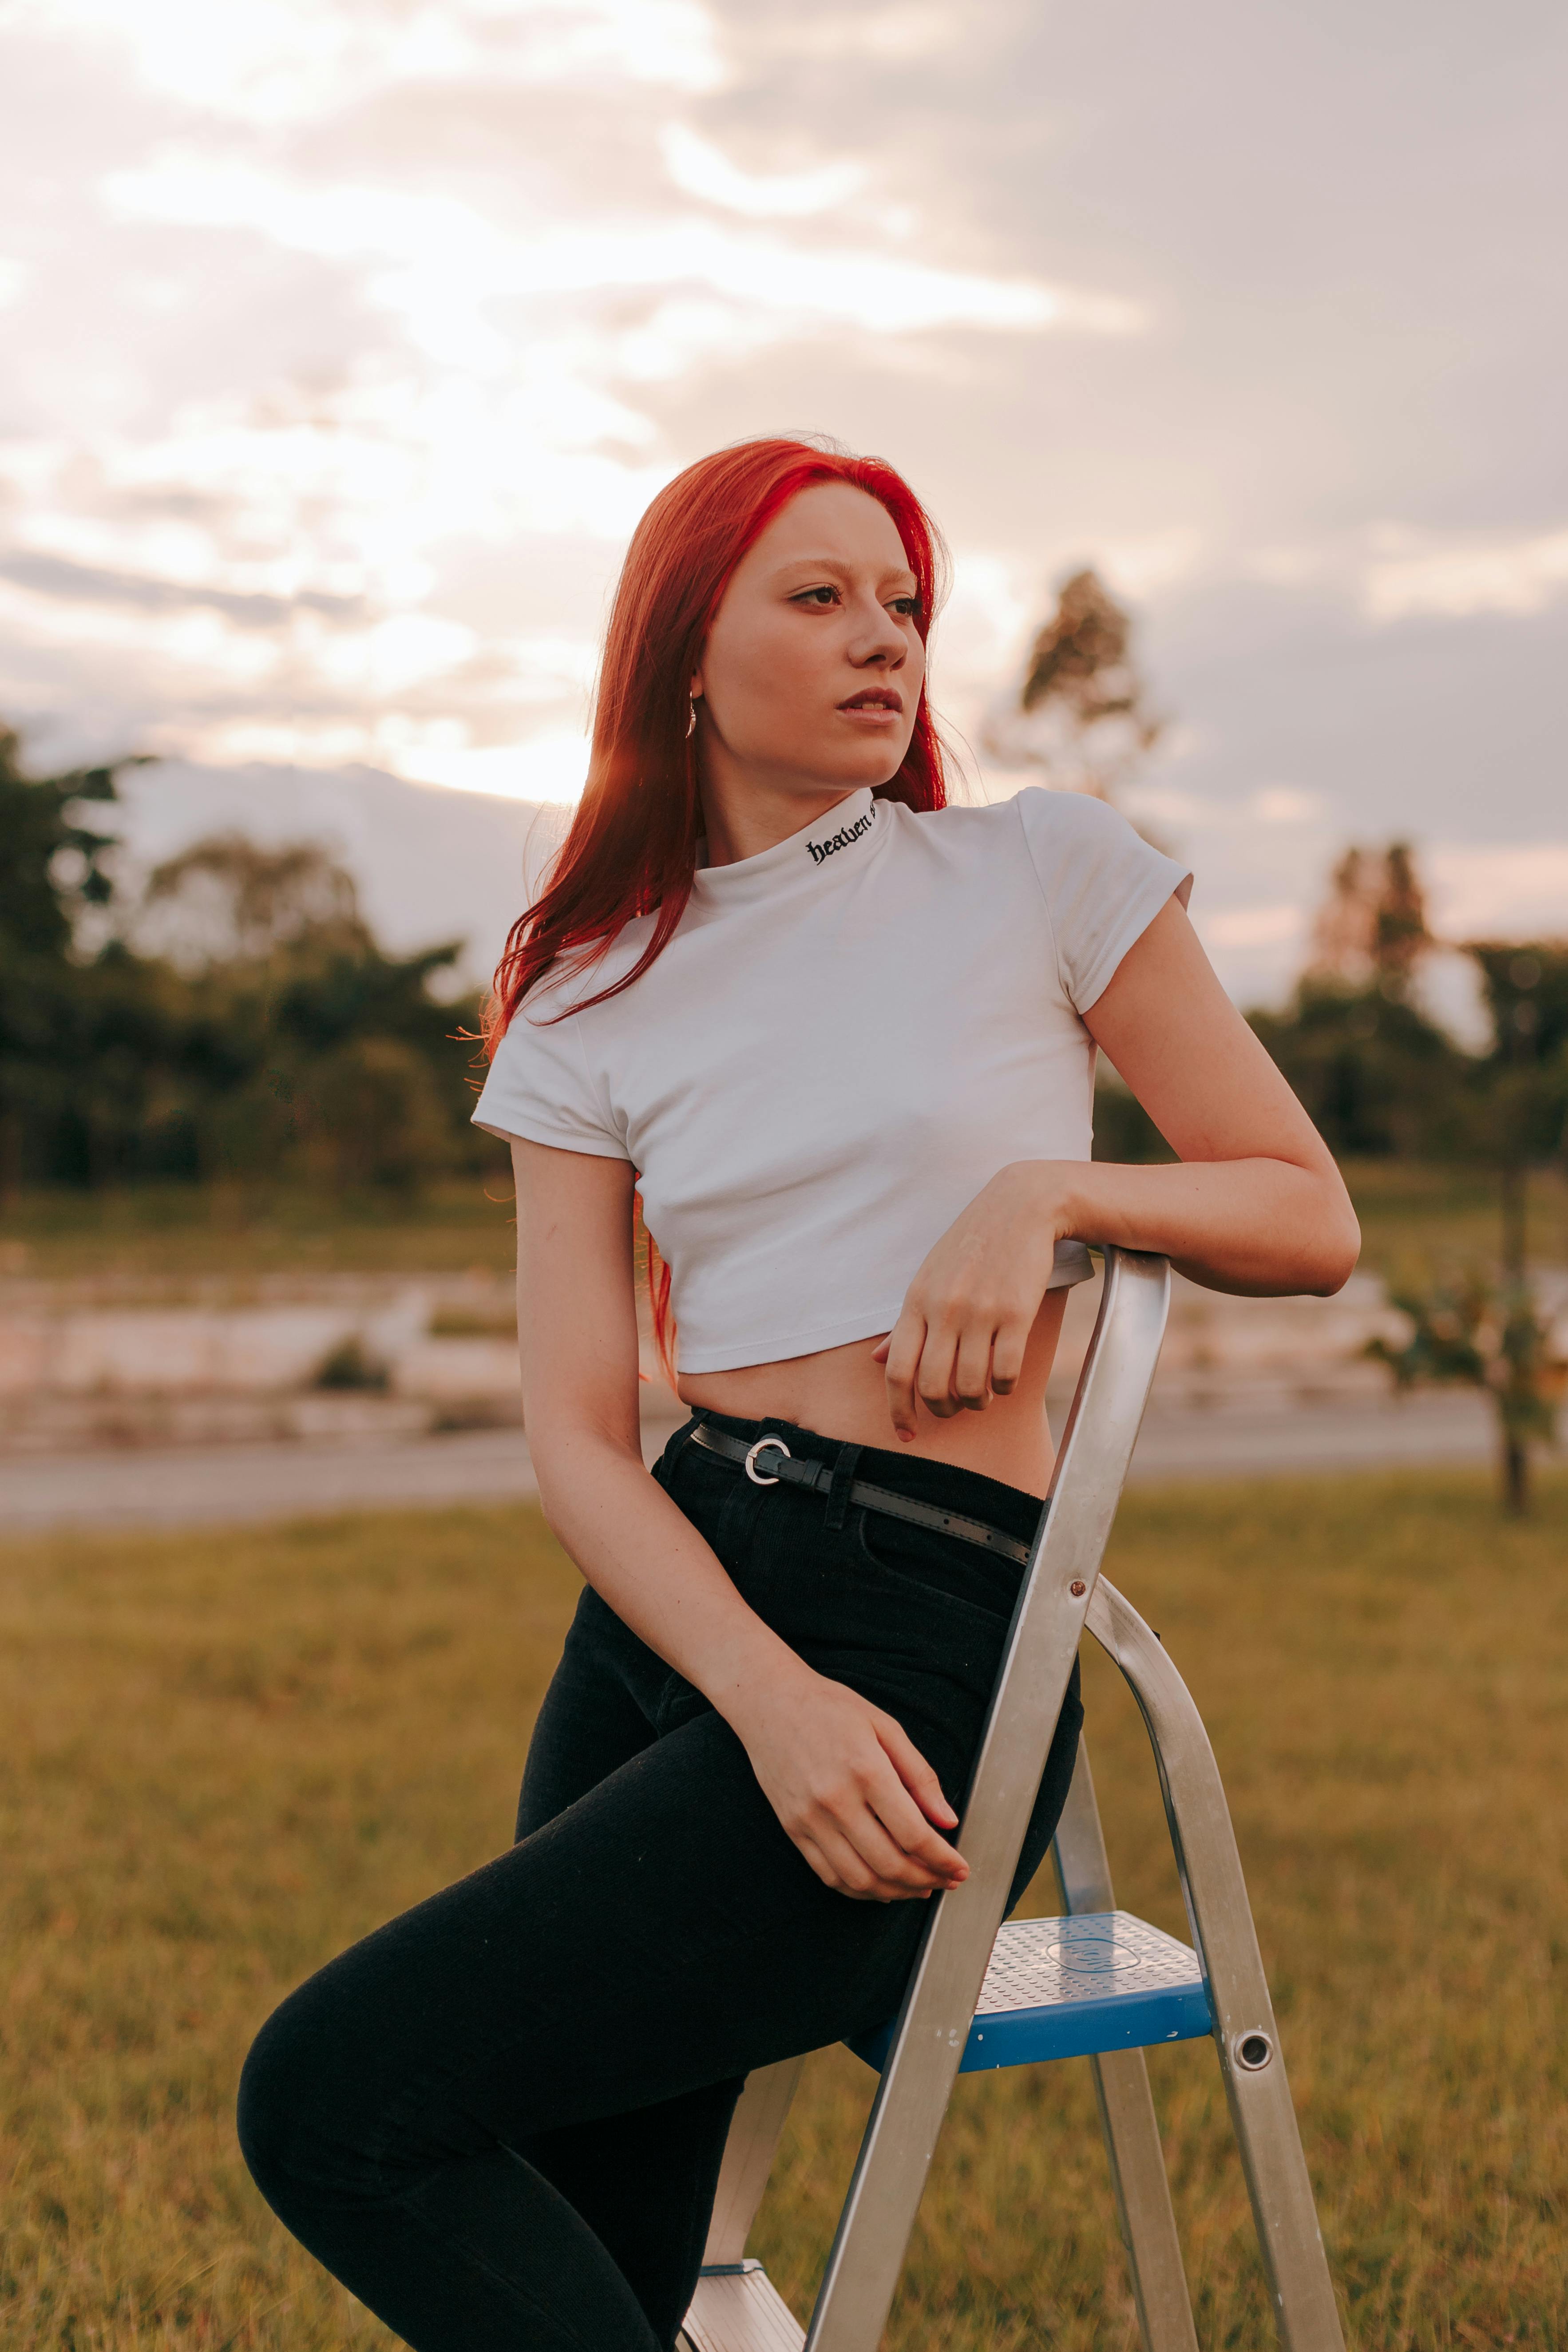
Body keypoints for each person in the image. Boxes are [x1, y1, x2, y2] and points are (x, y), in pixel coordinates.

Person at [238, 438, 1358, 2352]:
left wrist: (1052, 1191)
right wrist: (757, 1692)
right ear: (687, 646)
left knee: (331, 2101)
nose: (885, 641)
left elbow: (1303, 1210)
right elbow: (581, 1435)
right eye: (819, 595)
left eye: (905, 602)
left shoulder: (1037, 868)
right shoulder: (587, 982)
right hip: (679, 1613)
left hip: (926, 1625)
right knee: (597, 2238)